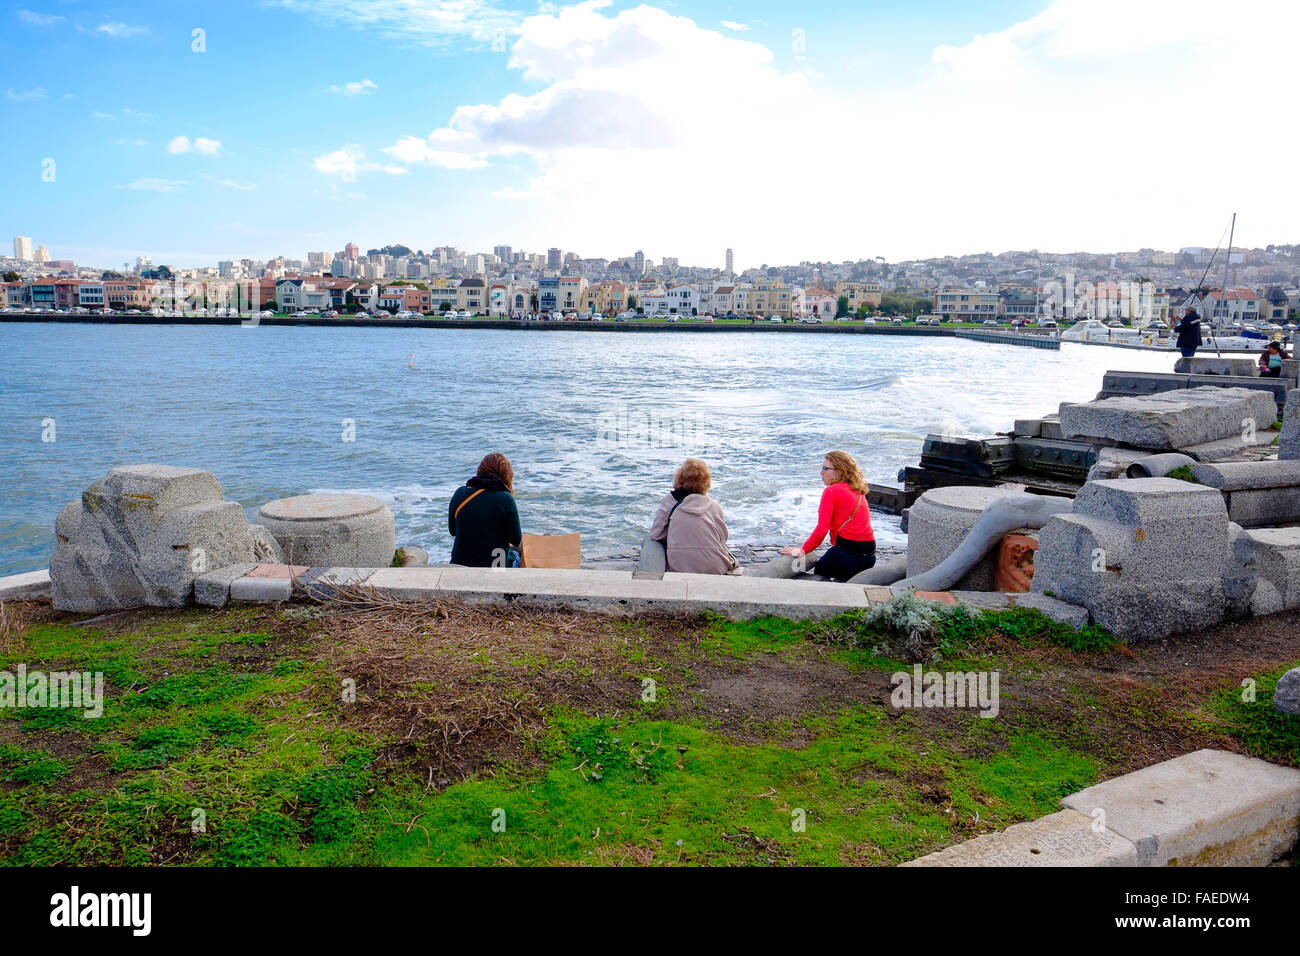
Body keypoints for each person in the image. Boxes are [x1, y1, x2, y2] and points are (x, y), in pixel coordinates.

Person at [779, 450, 876, 582]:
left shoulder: (831, 491)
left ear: (840, 470)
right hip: (870, 556)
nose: (821, 472)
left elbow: (821, 530)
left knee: (820, 571)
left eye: (825, 468)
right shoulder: (858, 489)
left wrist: (802, 550)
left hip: (847, 556)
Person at [648, 458, 740, 574]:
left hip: (680, 566)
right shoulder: (713, 505)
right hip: (715, 567)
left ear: (679, 479)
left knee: (648, 540)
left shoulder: (669, 501)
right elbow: (722, 538)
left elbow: (656, 534)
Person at [448, 452, 522, 567]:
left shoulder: (460, 493)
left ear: (480, 470)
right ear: (506, 474)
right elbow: (516, 539)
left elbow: (453, 531)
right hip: (496, 565)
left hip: (460, 563)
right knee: (518, 553)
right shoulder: (505, 498)